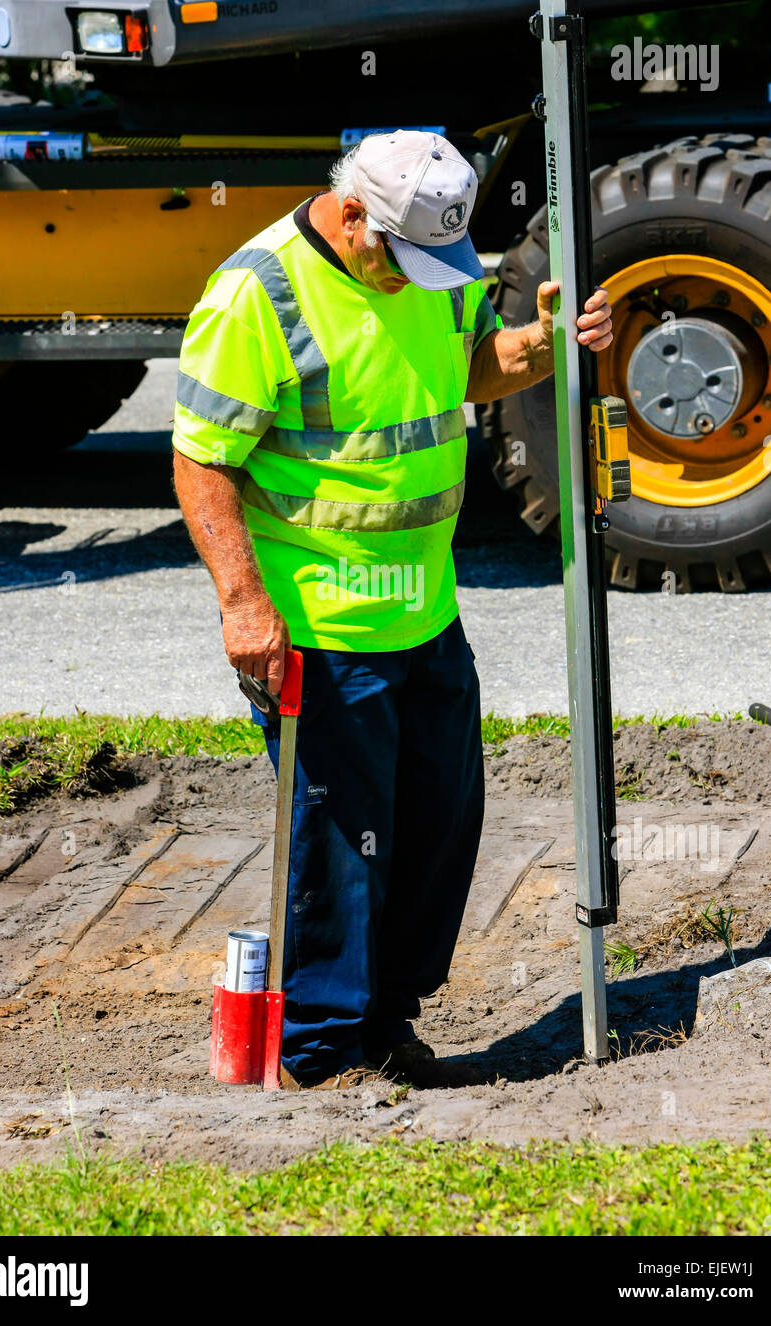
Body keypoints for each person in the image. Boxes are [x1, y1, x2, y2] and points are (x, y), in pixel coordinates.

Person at [173, 130, 612, 1089]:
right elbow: (201, 457)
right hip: (320, 630)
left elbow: (461, 374)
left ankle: (386, 1028)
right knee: (340, 848)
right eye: (406, 258)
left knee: (438, 827)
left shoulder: (431, 268)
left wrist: (540, 347)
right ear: (356, 216)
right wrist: (243, 604)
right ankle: (322, 1057)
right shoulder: (261, 294)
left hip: (426, 616)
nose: (426, 279)